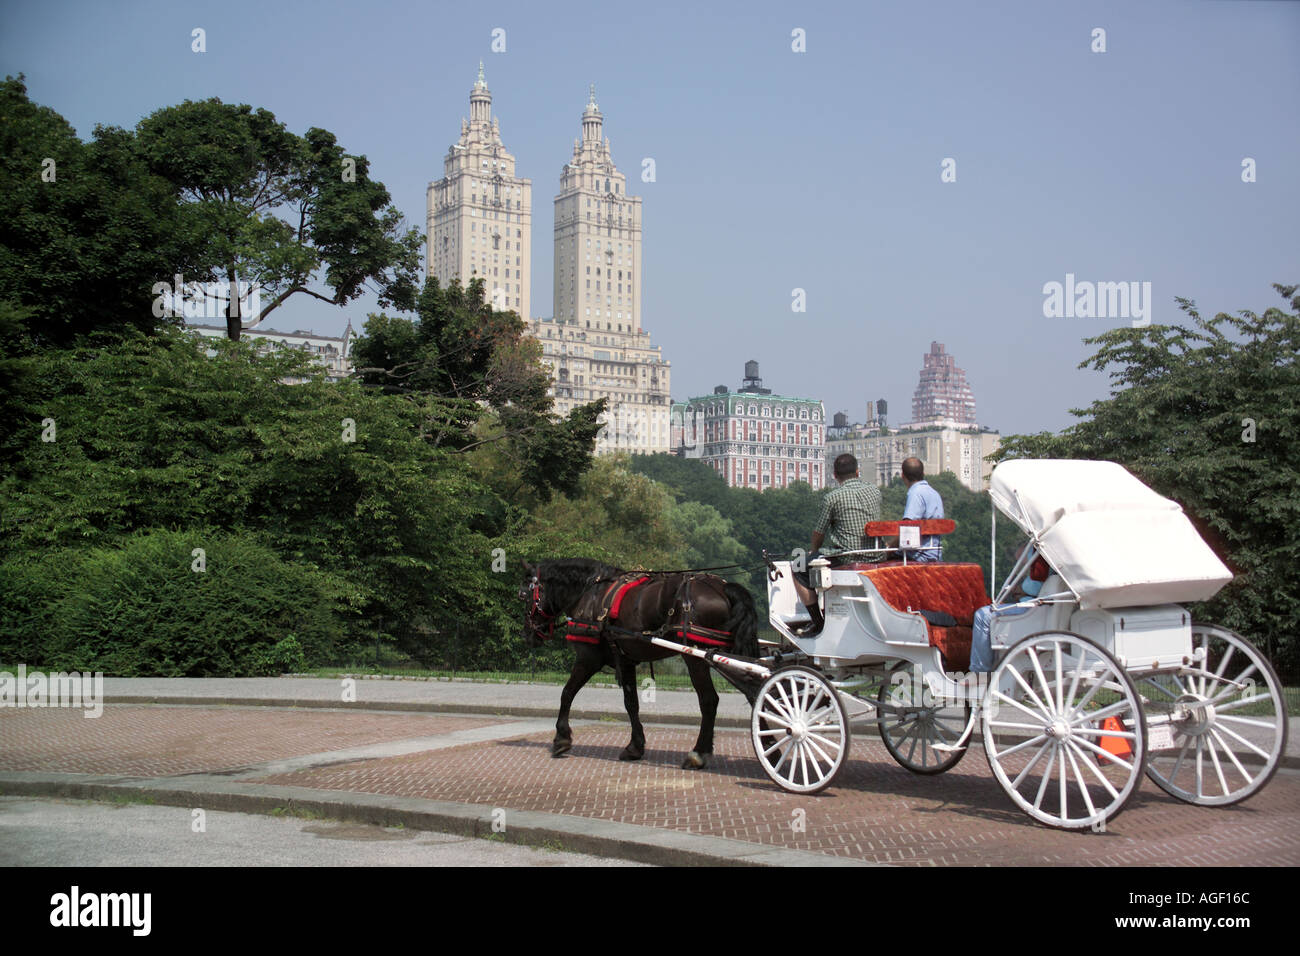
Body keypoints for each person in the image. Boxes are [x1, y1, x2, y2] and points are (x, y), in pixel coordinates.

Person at [792, 453, 882, 635]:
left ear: (834, 475)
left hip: (847, 557)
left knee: (798, 566)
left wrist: (813, 551)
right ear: (857, 472)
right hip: (877, 554)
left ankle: (817, 622)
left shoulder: (832, 497)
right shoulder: (875, 491)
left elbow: (819, 531)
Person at [970, 547, 1051, 672]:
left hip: (1031, 608)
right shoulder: (1049, 552)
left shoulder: (1039, 555)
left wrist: (1020, 589)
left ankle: (979, 671)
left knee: (982, 615)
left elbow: (1036, 587)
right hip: (1038, 607)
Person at [901, 457, 944, 562]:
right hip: (935, 551)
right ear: (923, 473)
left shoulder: (915, 493)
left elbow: (908, 527)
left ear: (903, 476)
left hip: (920, 554)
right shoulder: (934, 493)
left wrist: (889, 548)